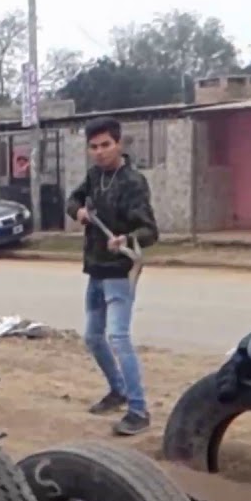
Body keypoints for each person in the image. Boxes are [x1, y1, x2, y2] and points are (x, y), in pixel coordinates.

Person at [65, 117, 159, 436]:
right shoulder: (93, 177)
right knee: (93, 337)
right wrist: (77, 211)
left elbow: (150, 231)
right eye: (93, 146)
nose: (100, 152)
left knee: (118, 337)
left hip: (119, 271)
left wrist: (126, 239)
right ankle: (117, 391)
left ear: (119, 144)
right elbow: (73, 200)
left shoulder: (133, 182)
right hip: (95, 269)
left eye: (106, 145)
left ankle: (138, 409)